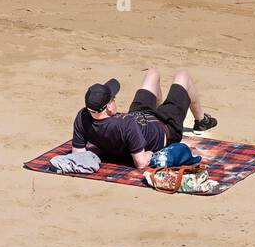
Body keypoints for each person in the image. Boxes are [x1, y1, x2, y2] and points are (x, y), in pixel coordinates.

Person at [71, 69, 218, 171]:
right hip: (165, 129)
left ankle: (160, 108)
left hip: (138, 116)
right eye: (113, 98)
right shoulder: (125, 124)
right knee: (183, 76)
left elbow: (78, 155)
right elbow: (140, 163)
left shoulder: (82, 117)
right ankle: (201, 121)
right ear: (109, 106)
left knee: (152, 74)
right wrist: (148, 154)